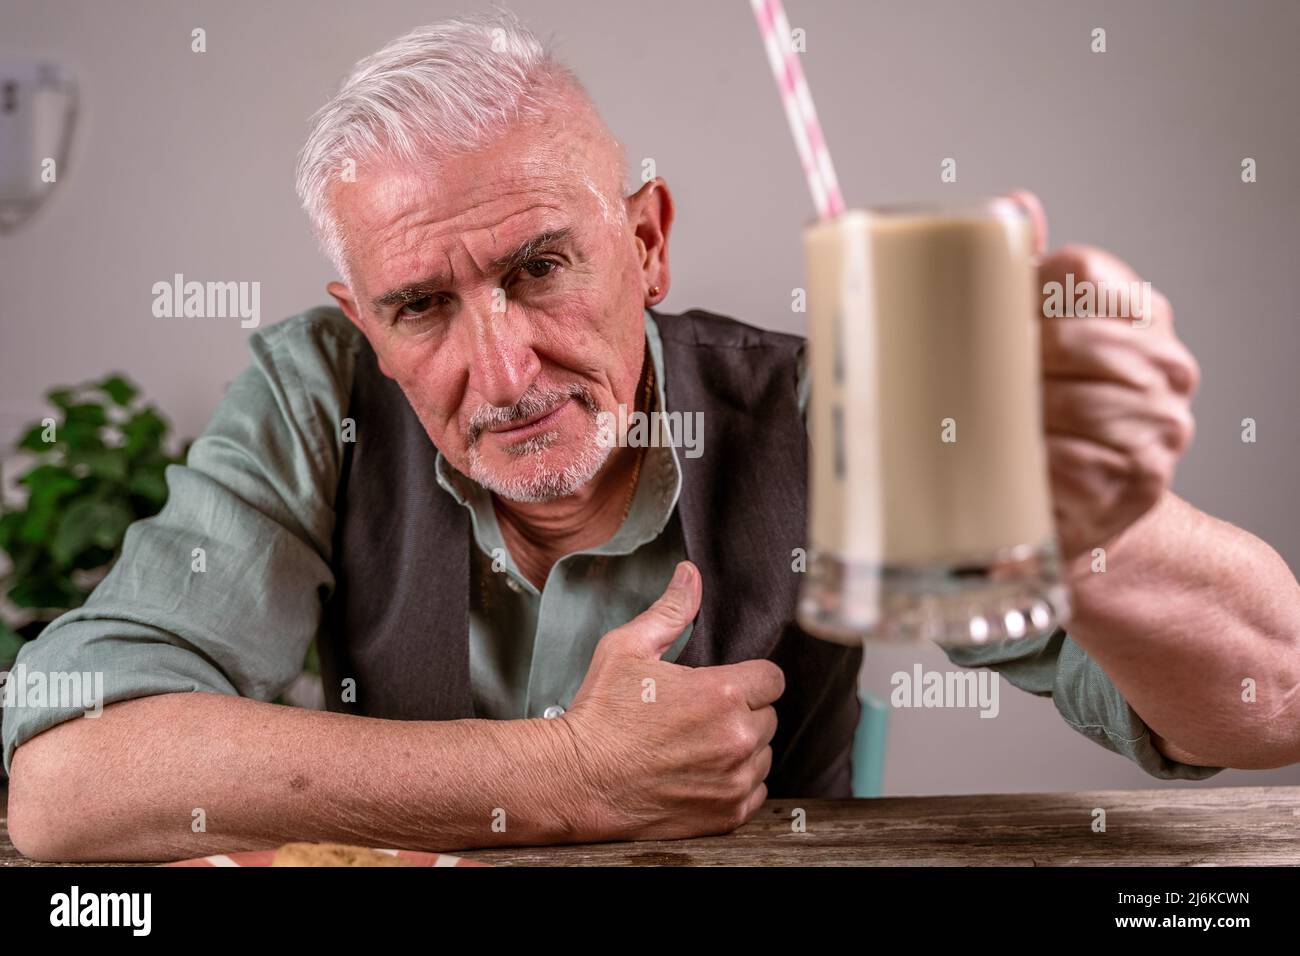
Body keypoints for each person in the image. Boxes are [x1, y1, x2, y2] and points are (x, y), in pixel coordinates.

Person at [5, 12, 1298, 862]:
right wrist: (565, 774)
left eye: (541, 267)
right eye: (421, 308)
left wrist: (1105, 521)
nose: (503, 371)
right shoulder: (314, 397)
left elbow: (1268, 707)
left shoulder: (827, 411)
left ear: (647, 240)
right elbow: (64, 784)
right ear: (366, 325)